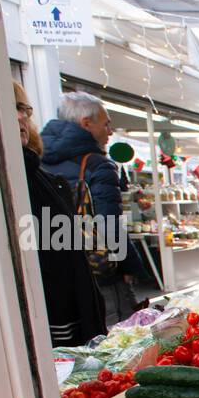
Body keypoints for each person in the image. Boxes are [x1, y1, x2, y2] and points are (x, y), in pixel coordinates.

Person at [15, 82, 106, 346]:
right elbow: (108, 220)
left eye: (23, 108)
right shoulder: (6, 181)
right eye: (12, 108)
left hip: (66, 307)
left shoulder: (40, 174)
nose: (21, 117)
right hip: (47, 317)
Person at [40, 91, 140, 324]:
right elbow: (108, 223)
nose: (110, 131)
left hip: (56, 266)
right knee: (120, 332)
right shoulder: (97, 165)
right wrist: (130, 266)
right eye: (106, 124)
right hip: (97, 267)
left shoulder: (39, 161)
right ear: (86, 124)